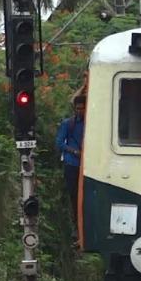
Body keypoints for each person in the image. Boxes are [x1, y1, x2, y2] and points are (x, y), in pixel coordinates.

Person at [56, 95, 86, 231]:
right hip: (72, 164)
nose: (80, 111)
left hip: (86, 166)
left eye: (82, 108)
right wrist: (73, 151)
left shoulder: (91, 124)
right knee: (73, 195)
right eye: (77, 108)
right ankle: (75, 226)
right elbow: (59, 142)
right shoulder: (68, 123)